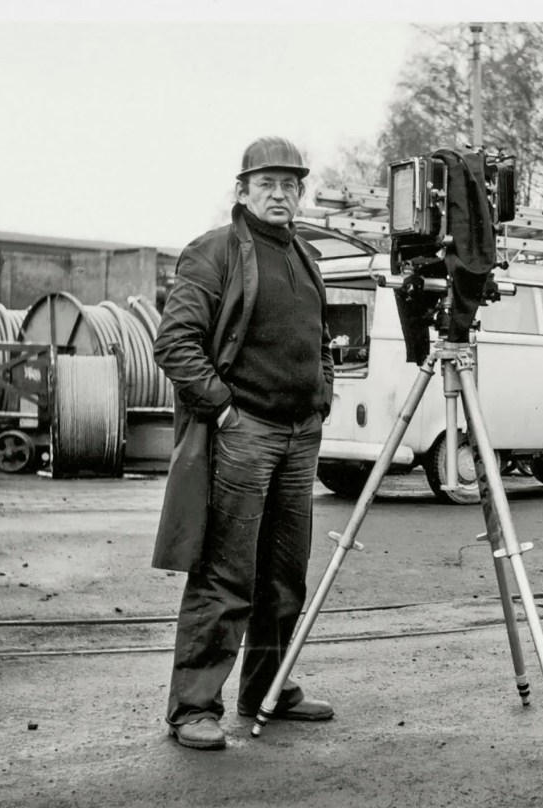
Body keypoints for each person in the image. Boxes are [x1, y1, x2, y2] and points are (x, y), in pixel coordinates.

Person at [152, 136, 335, 750]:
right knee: (226, 573)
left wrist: (321, 396)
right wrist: (225, 408)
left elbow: (321, 341)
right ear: (243, 190)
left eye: (290, 185)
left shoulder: (305, 255)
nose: (280, 194)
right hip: (244, 430)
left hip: (297, 434)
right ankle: (195, 707)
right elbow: (176, 342)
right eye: (267, 185)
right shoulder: (214, 251)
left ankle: (268, 688)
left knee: (285, 575)